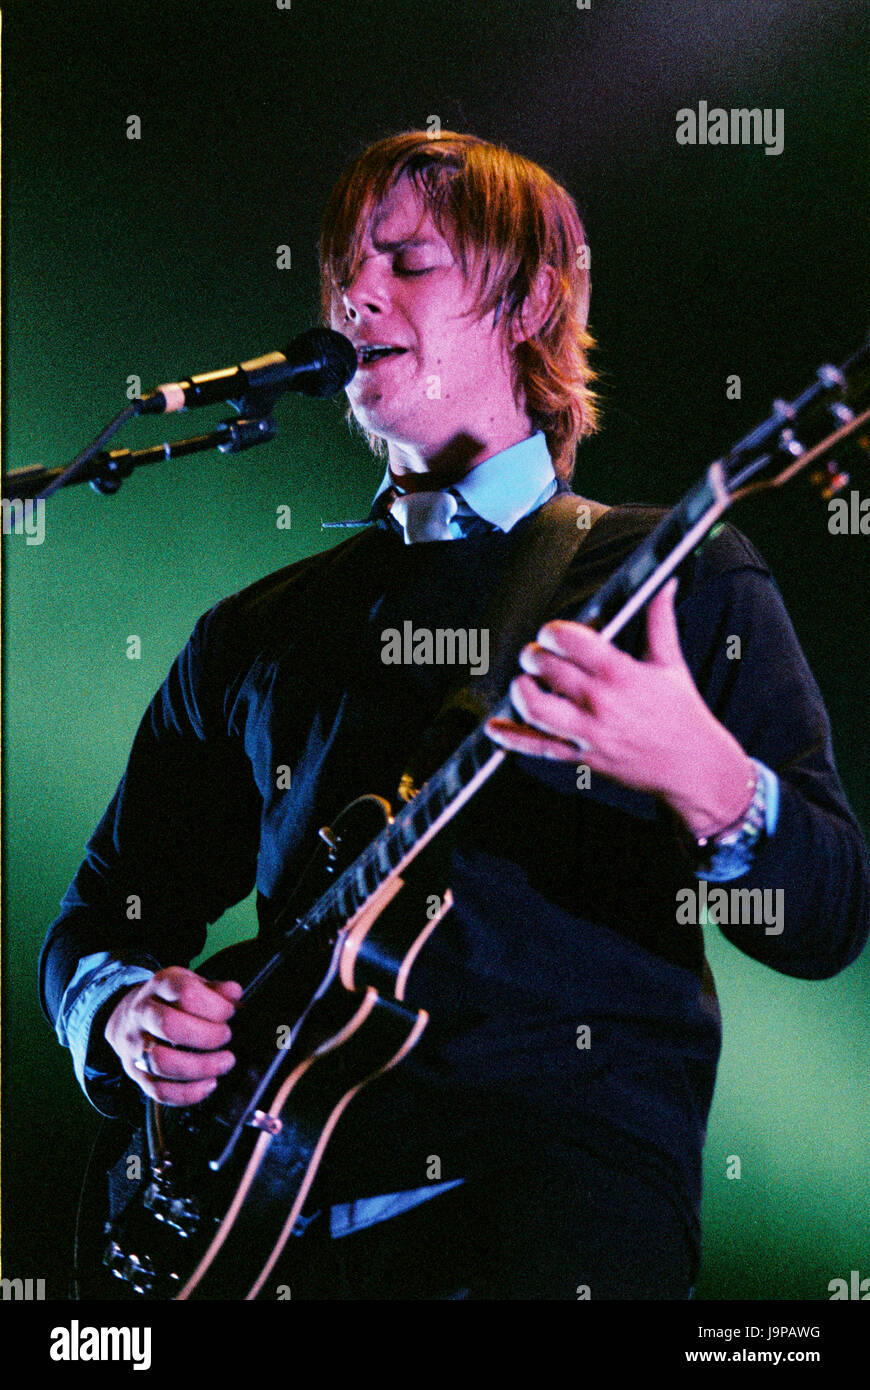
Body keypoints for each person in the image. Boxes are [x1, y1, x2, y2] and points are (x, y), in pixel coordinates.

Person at [40, 130, 870, 1300]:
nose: (355, 293)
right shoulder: (256, 633)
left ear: (529, 300)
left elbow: (826, 914)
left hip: (552, 1219)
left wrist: (710, 781)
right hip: (265, 1229)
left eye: (408, 261)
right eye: (344, 271)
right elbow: (100, 917)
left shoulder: (673, 574)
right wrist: (123, 1012)